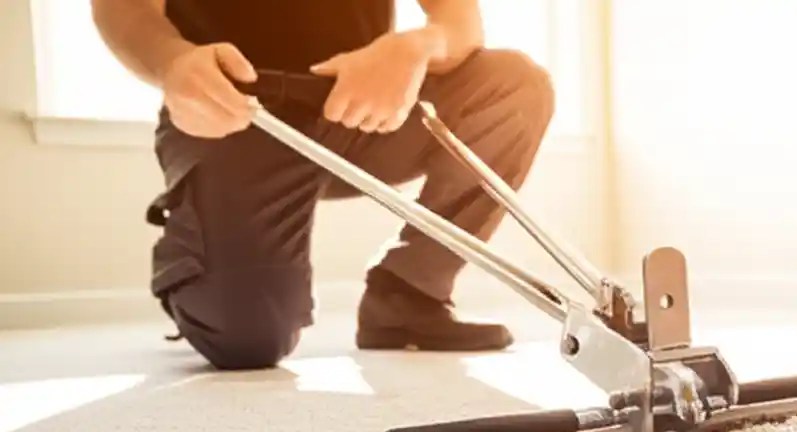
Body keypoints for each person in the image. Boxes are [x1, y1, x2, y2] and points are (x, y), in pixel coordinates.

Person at [90, 0, 555, 369]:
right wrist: (173, 62)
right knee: (247, 337)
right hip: (235, 112)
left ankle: (408, 296)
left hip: (361, 106)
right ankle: (197, 258)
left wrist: (419, 45)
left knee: (516, 85)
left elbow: (458, 17)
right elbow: (122, 6)